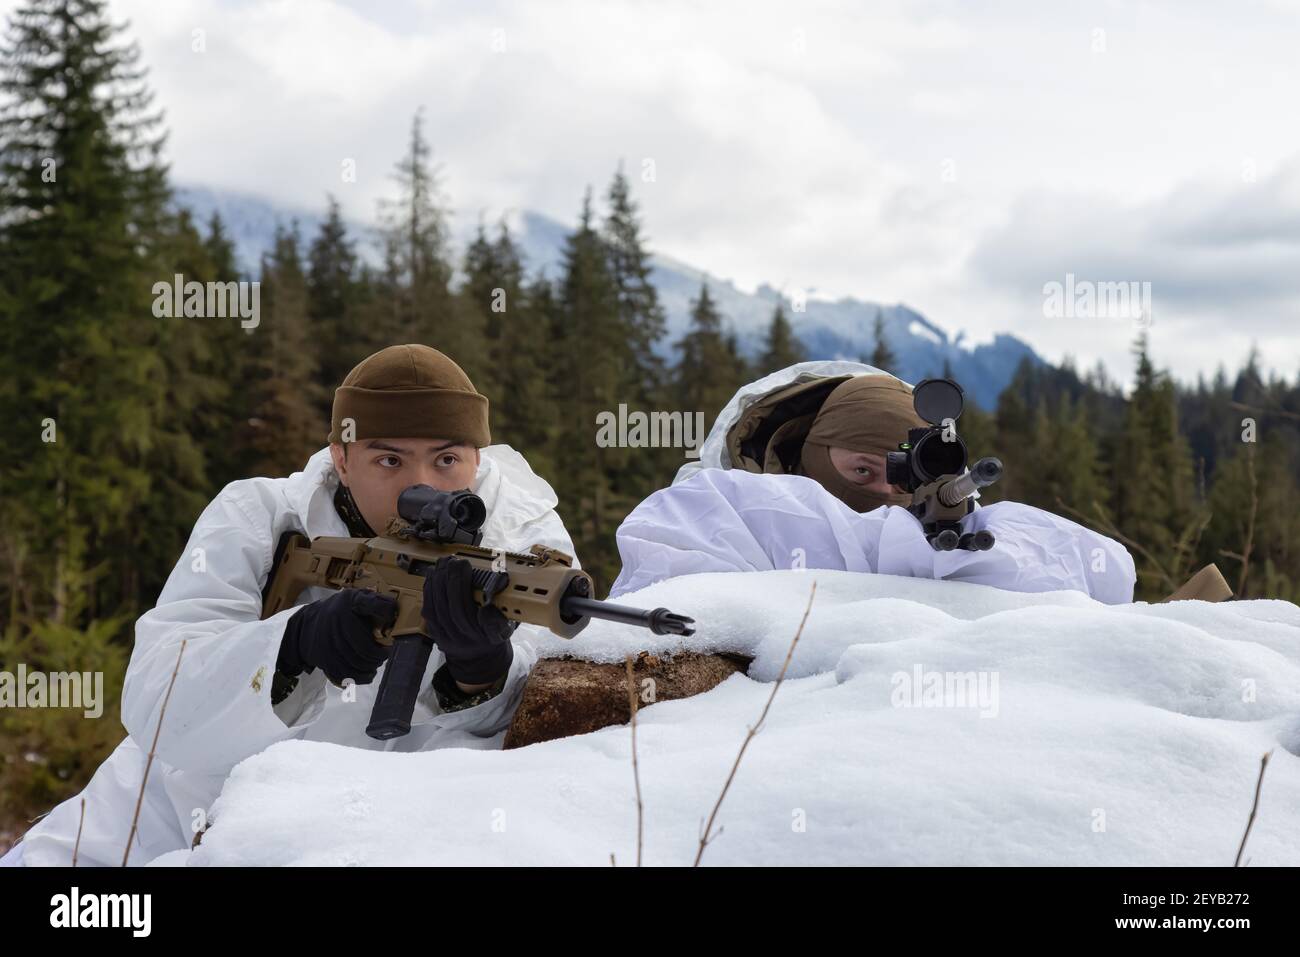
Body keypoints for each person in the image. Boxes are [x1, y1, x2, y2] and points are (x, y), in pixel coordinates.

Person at [3, 344, 575, 867]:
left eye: (446, 460)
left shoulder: (525, 550)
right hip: (146, 828)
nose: (419, 486)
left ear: (477, 459)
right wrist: (291, 645)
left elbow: (528, 746)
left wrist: (481, 678)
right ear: (341, 458)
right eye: (389, 460)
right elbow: (157, 700)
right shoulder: (259, 517)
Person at [610, 360, 1135, 603]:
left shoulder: (959, 533)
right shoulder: (716, 509)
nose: (883, 493)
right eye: (860, 470)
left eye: (900, 477)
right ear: (806, 455)